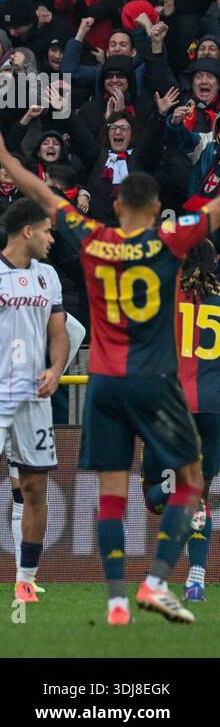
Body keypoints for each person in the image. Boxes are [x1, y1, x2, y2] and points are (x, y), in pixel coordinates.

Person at [0, 114, 220, 625]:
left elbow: (45, 198)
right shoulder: (169, 243)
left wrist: (2, 156)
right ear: (155, 210)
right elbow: (215, 211)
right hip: (156, 385)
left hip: (107, 384)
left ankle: (115, 601)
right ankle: (156, 582)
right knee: (192, 482)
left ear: (116, 206)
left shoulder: (92, 239)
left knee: (114, 492)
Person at [0, 199, 69, 605]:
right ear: (27, 232)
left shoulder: (48, 277)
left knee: (35, 487)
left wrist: (56, 370)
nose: (52, 238)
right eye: (47, 231)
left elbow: (59, 331)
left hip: (33, 397)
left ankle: (25, 577)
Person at [145, 239, 220, 602]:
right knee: (198, 493)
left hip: (171, 406)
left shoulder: (167, 294)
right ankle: (196, 578)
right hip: (213, 410)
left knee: (154, 495)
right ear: (215, 261)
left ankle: (178, 575)